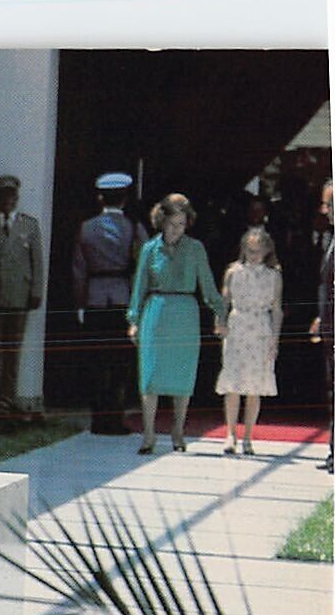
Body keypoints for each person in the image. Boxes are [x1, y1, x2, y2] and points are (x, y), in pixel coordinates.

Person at [127, 193, 228, 454]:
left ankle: (178, 430)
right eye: (173, 223)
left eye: (182, 224)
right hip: (156, 312)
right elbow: (140, 286)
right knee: (150, 376)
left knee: (182, 375)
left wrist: (221, 311)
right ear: (162, 222)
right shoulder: (150, 248)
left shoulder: (195, 248)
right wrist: (134, 320)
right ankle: (148, 434)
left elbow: (207, 284)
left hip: (185, 313)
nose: (177, 229)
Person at [72, 172, 147, 434]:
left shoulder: (86, 227)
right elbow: (143, 267)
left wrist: (80, 302)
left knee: (96, 361)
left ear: (100, 197)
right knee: (119, 362)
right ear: (124, 199)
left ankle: (98, 418)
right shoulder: (134, 228)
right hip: (122, 298)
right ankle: (114, 418)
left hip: (94, 297)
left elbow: (79, 269)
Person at [0, 174, 43, 413]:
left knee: (13, 350)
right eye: (3, 196)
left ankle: (8, 398)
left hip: (19, 296)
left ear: (17, 197)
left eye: (11, 196)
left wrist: (36, 291)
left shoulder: (29, 226)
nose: (7, 200)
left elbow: (37, 261)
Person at [215, 228, 283, 455]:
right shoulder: (234, 272)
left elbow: (276, 309)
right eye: (250, 250)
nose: (254, 255)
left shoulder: (273, 275)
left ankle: (248, 437)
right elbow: (223, 300)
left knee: (255, 386)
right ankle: (230, 434)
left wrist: (275, 338)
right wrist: (220, 321)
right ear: (243, 249)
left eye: (258, 251)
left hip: (260, 329)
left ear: (266, 250)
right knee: (233, 384)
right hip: (238, 327)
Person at [308, 180, 334, 473]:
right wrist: (320, 316)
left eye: (328, 204)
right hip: (330, 327)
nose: (323, 210)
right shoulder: (329, 239)